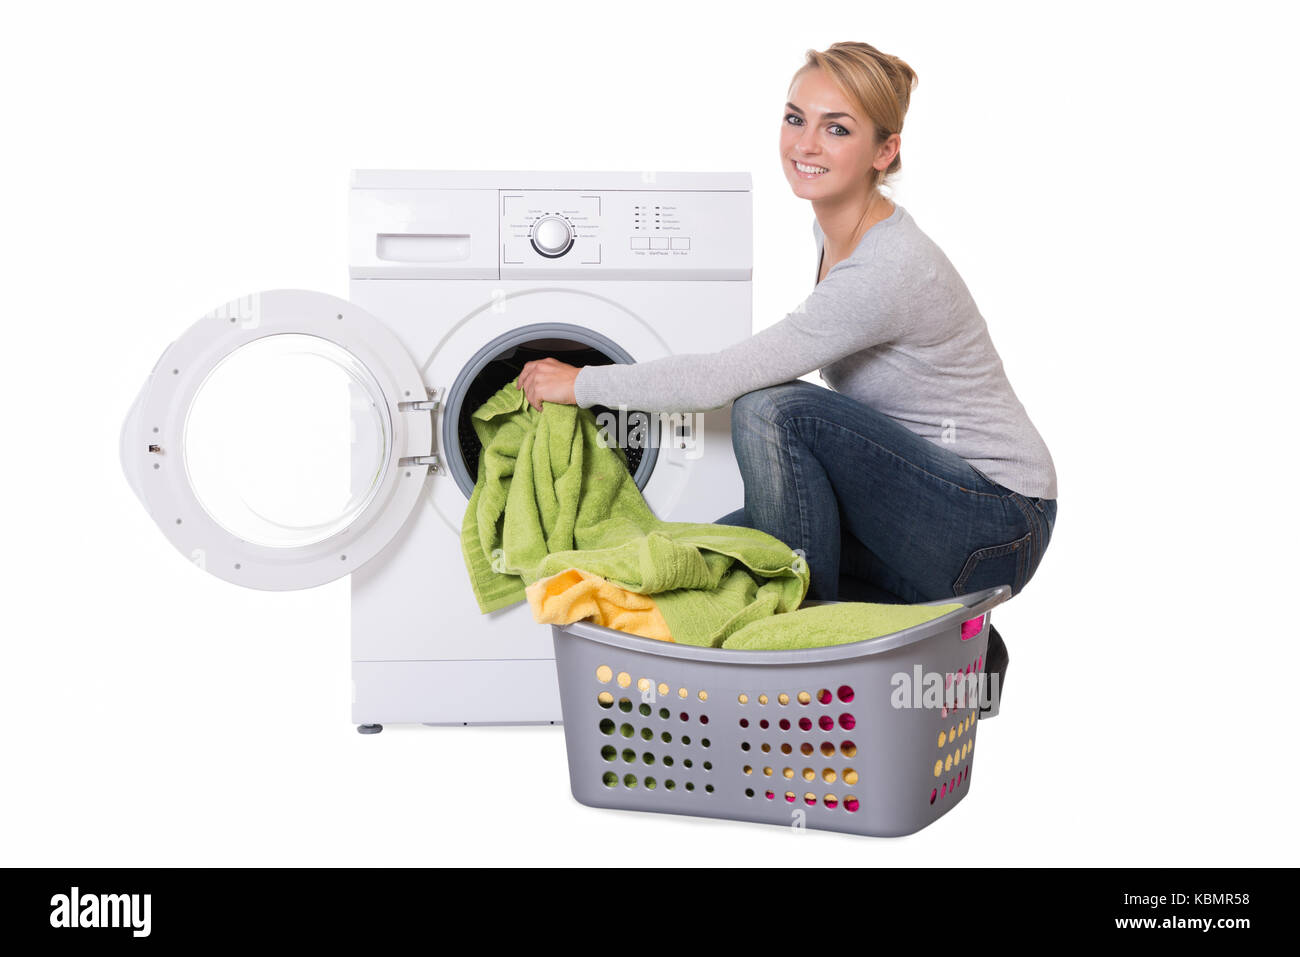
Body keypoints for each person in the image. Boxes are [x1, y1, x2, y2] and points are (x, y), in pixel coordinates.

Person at [515, 42, 1058, 712]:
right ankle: (961, 651)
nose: (807, 143)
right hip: (932, 517)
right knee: (720, 555)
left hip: (997, 521)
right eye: (795, 117)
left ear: (884, 153)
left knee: (773, 410)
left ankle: (807, 658)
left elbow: (723, 378)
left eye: (838, 128)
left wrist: (581, 383)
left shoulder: (888, 267)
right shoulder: (837, 233)